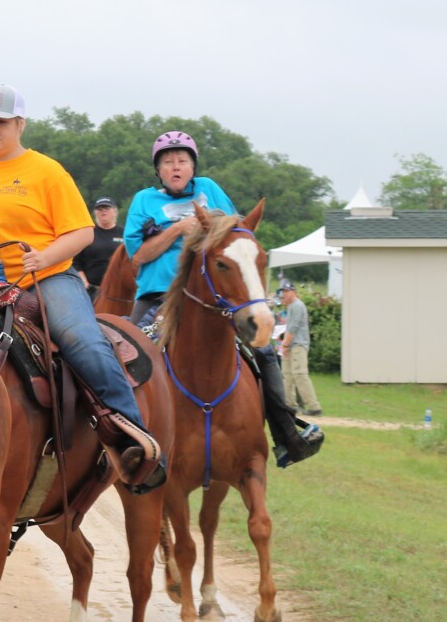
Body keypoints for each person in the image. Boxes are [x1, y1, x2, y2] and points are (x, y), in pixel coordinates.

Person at [0, 87, 161, 480]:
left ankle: (131, 435)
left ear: (20, 124)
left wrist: (45, 257)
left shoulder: (47, 171)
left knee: (82, 339)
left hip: (45, 280)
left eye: (1, 122)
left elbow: (80, 231)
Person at [122, 130, 323, 469]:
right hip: (158, 296)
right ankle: (125, 439)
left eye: (182, 161)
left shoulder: (210, 189)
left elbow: (235, 233)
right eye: (168, 162)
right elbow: (138, 256)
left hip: (211, 298)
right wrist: (176, 229)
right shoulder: (144, 201)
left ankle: (287, 432)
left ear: (192, 166)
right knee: (126, 353)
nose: (175, 167)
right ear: (158, 170)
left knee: (263, 350)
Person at [277, 281, 322, 416]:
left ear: (294, 292)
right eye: (283, 292)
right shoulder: (291, 306)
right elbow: (290, 328)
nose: (284, 294)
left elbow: (293, 328)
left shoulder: (297, 306)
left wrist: (284, 345)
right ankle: (289, 405)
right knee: (288, 375)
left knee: (300, 374)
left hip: (298, 345)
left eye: (286, 291)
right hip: (291, 345)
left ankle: (314, 407)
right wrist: (285, 342)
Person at [73, 196, 125, 302]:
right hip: (92, 290)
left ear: (115, 211)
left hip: (119, 292)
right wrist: (83, 281)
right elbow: (75, 262)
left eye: (107, 208)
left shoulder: (125, 233)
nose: (103, 211)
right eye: (100, 209)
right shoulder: (88, 233)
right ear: (95, 213)